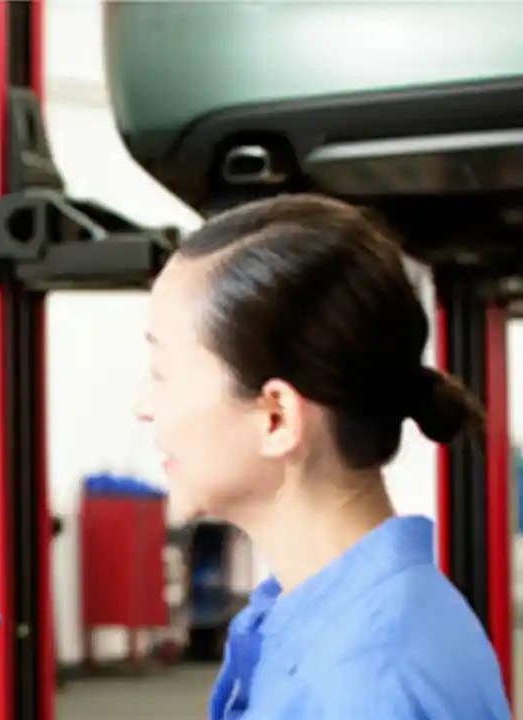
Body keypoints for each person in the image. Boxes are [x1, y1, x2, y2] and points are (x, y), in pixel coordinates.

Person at [135, 193, 511, 719]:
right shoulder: (332, 619)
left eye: (161, 374)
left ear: (276, 417)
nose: (143, 407)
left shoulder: (368, 684)